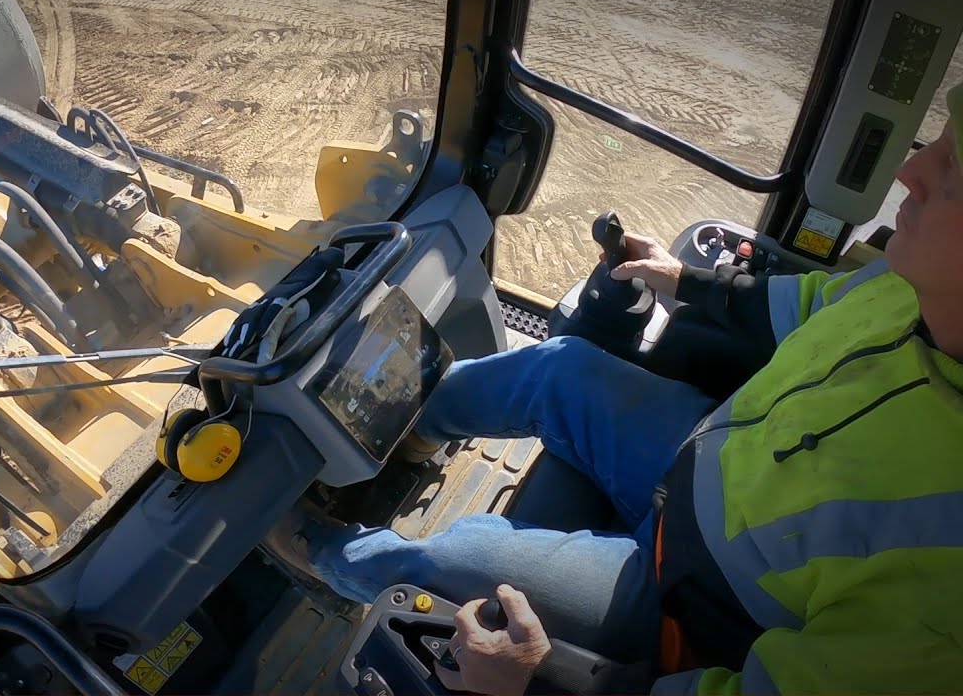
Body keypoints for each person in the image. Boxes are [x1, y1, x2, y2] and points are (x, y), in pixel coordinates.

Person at [265, 82, 963, 694]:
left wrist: (541, 679)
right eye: (942, 140)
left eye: (957, 169)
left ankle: (323, 555)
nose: (912, 168)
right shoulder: (902, 290)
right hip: (705, 456)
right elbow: (813, 303)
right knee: (558, 363)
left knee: (453, 557)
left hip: (693, 599)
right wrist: (685, 280)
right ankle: (393, 435)